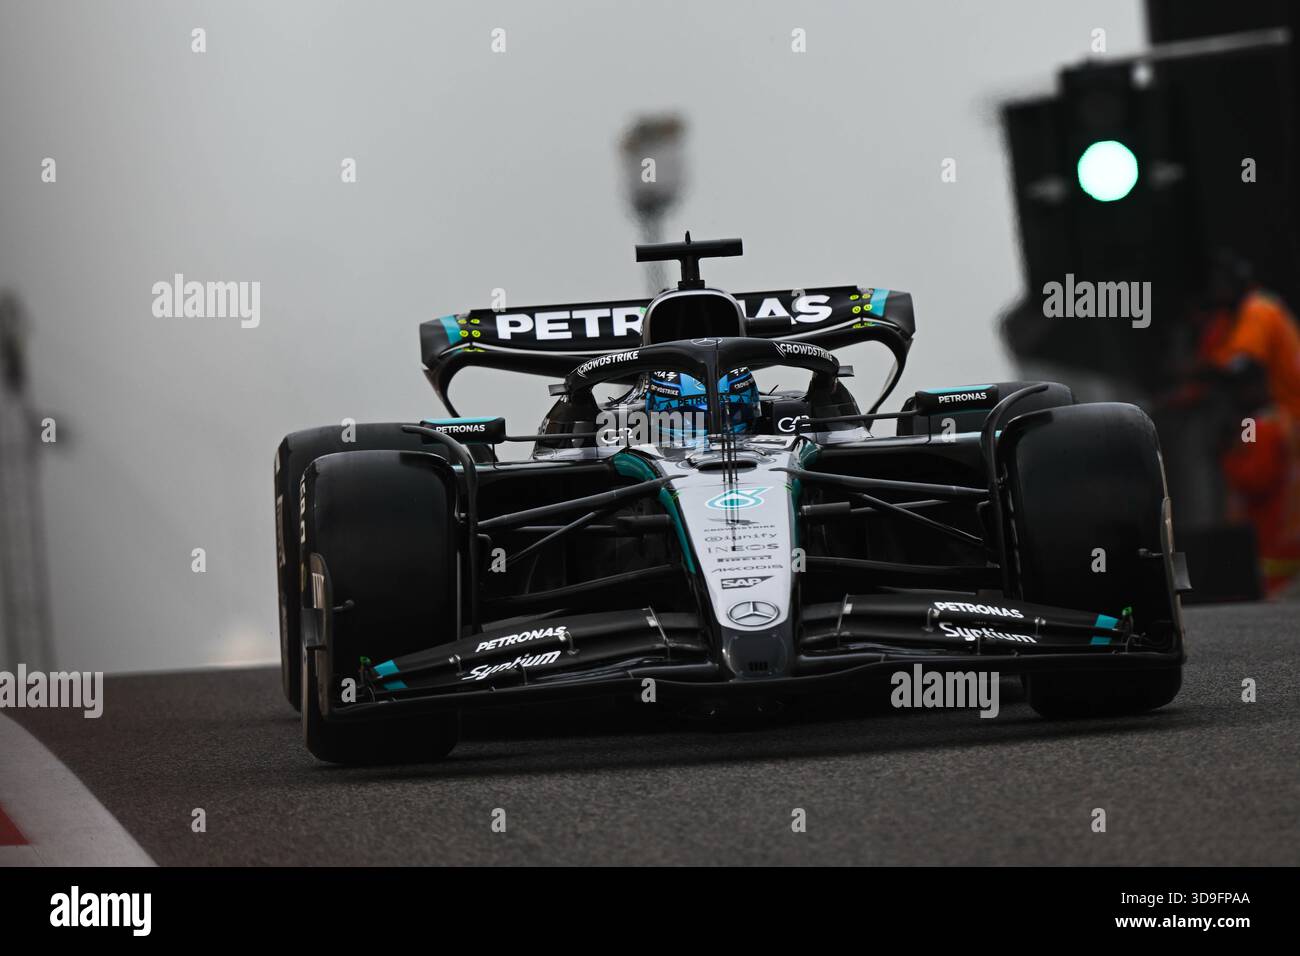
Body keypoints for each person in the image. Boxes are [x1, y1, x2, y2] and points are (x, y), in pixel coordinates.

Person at [1194, 251, 1300, 594]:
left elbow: (1253, 476)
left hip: (1275, 567)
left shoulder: (1260, 425)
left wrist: (1227, 450)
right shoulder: (1263, 424)